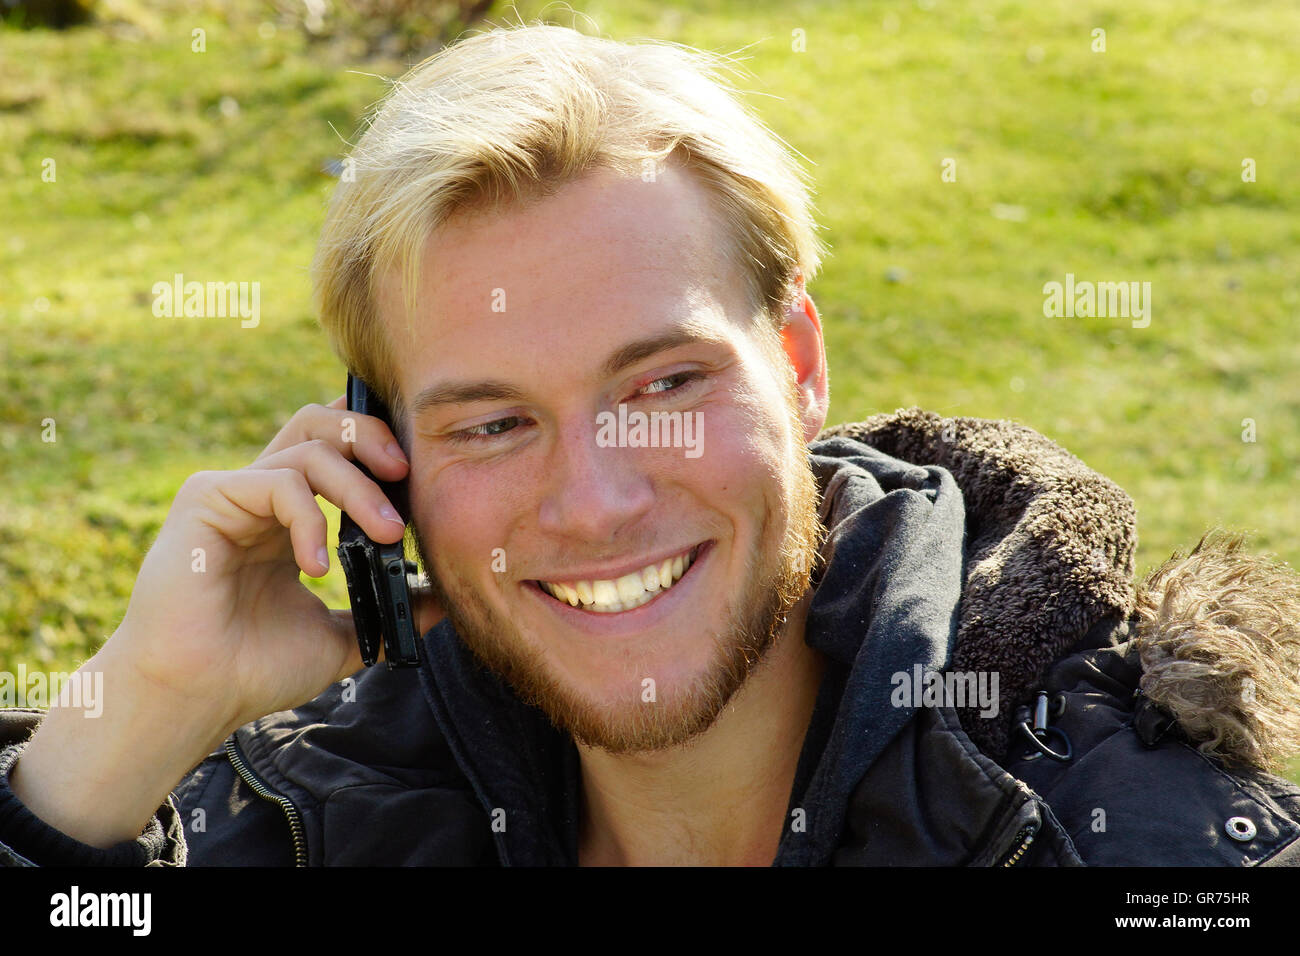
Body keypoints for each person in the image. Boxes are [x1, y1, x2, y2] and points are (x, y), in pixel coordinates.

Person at [3, 23, 1299, 867]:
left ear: (797, 369)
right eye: (494, 423)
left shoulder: (1137, 850)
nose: (598, 496)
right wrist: (131, 724)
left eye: (664, 381)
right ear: (383, 464)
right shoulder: (318, 812)